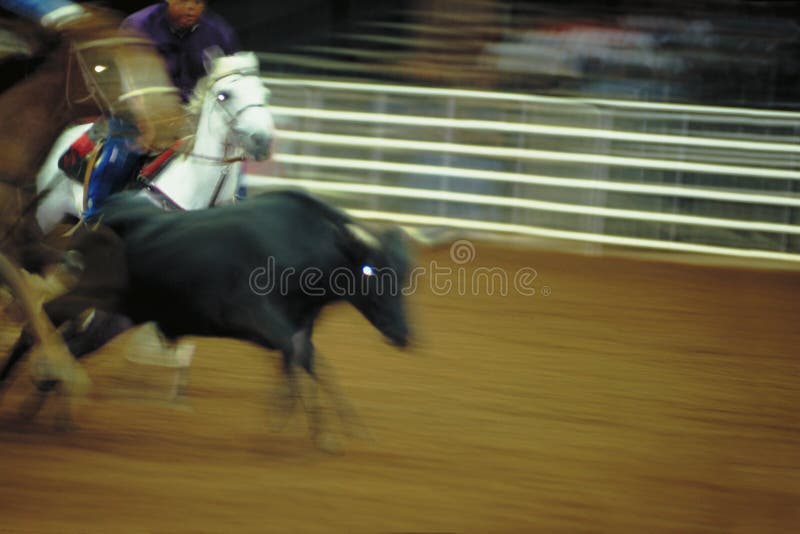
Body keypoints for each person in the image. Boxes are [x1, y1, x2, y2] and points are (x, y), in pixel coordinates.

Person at [58, 0, 243, 219]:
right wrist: (144, 119)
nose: (192, 7)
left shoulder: (220, 33)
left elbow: (232, 80)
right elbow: (127, 78)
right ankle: (96, 215)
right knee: (126, 147)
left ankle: (236, 210)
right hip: (138, 105)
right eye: (184, 1)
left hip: (192, 114)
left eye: (198, 2)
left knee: (229, 158)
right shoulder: (138, 25)